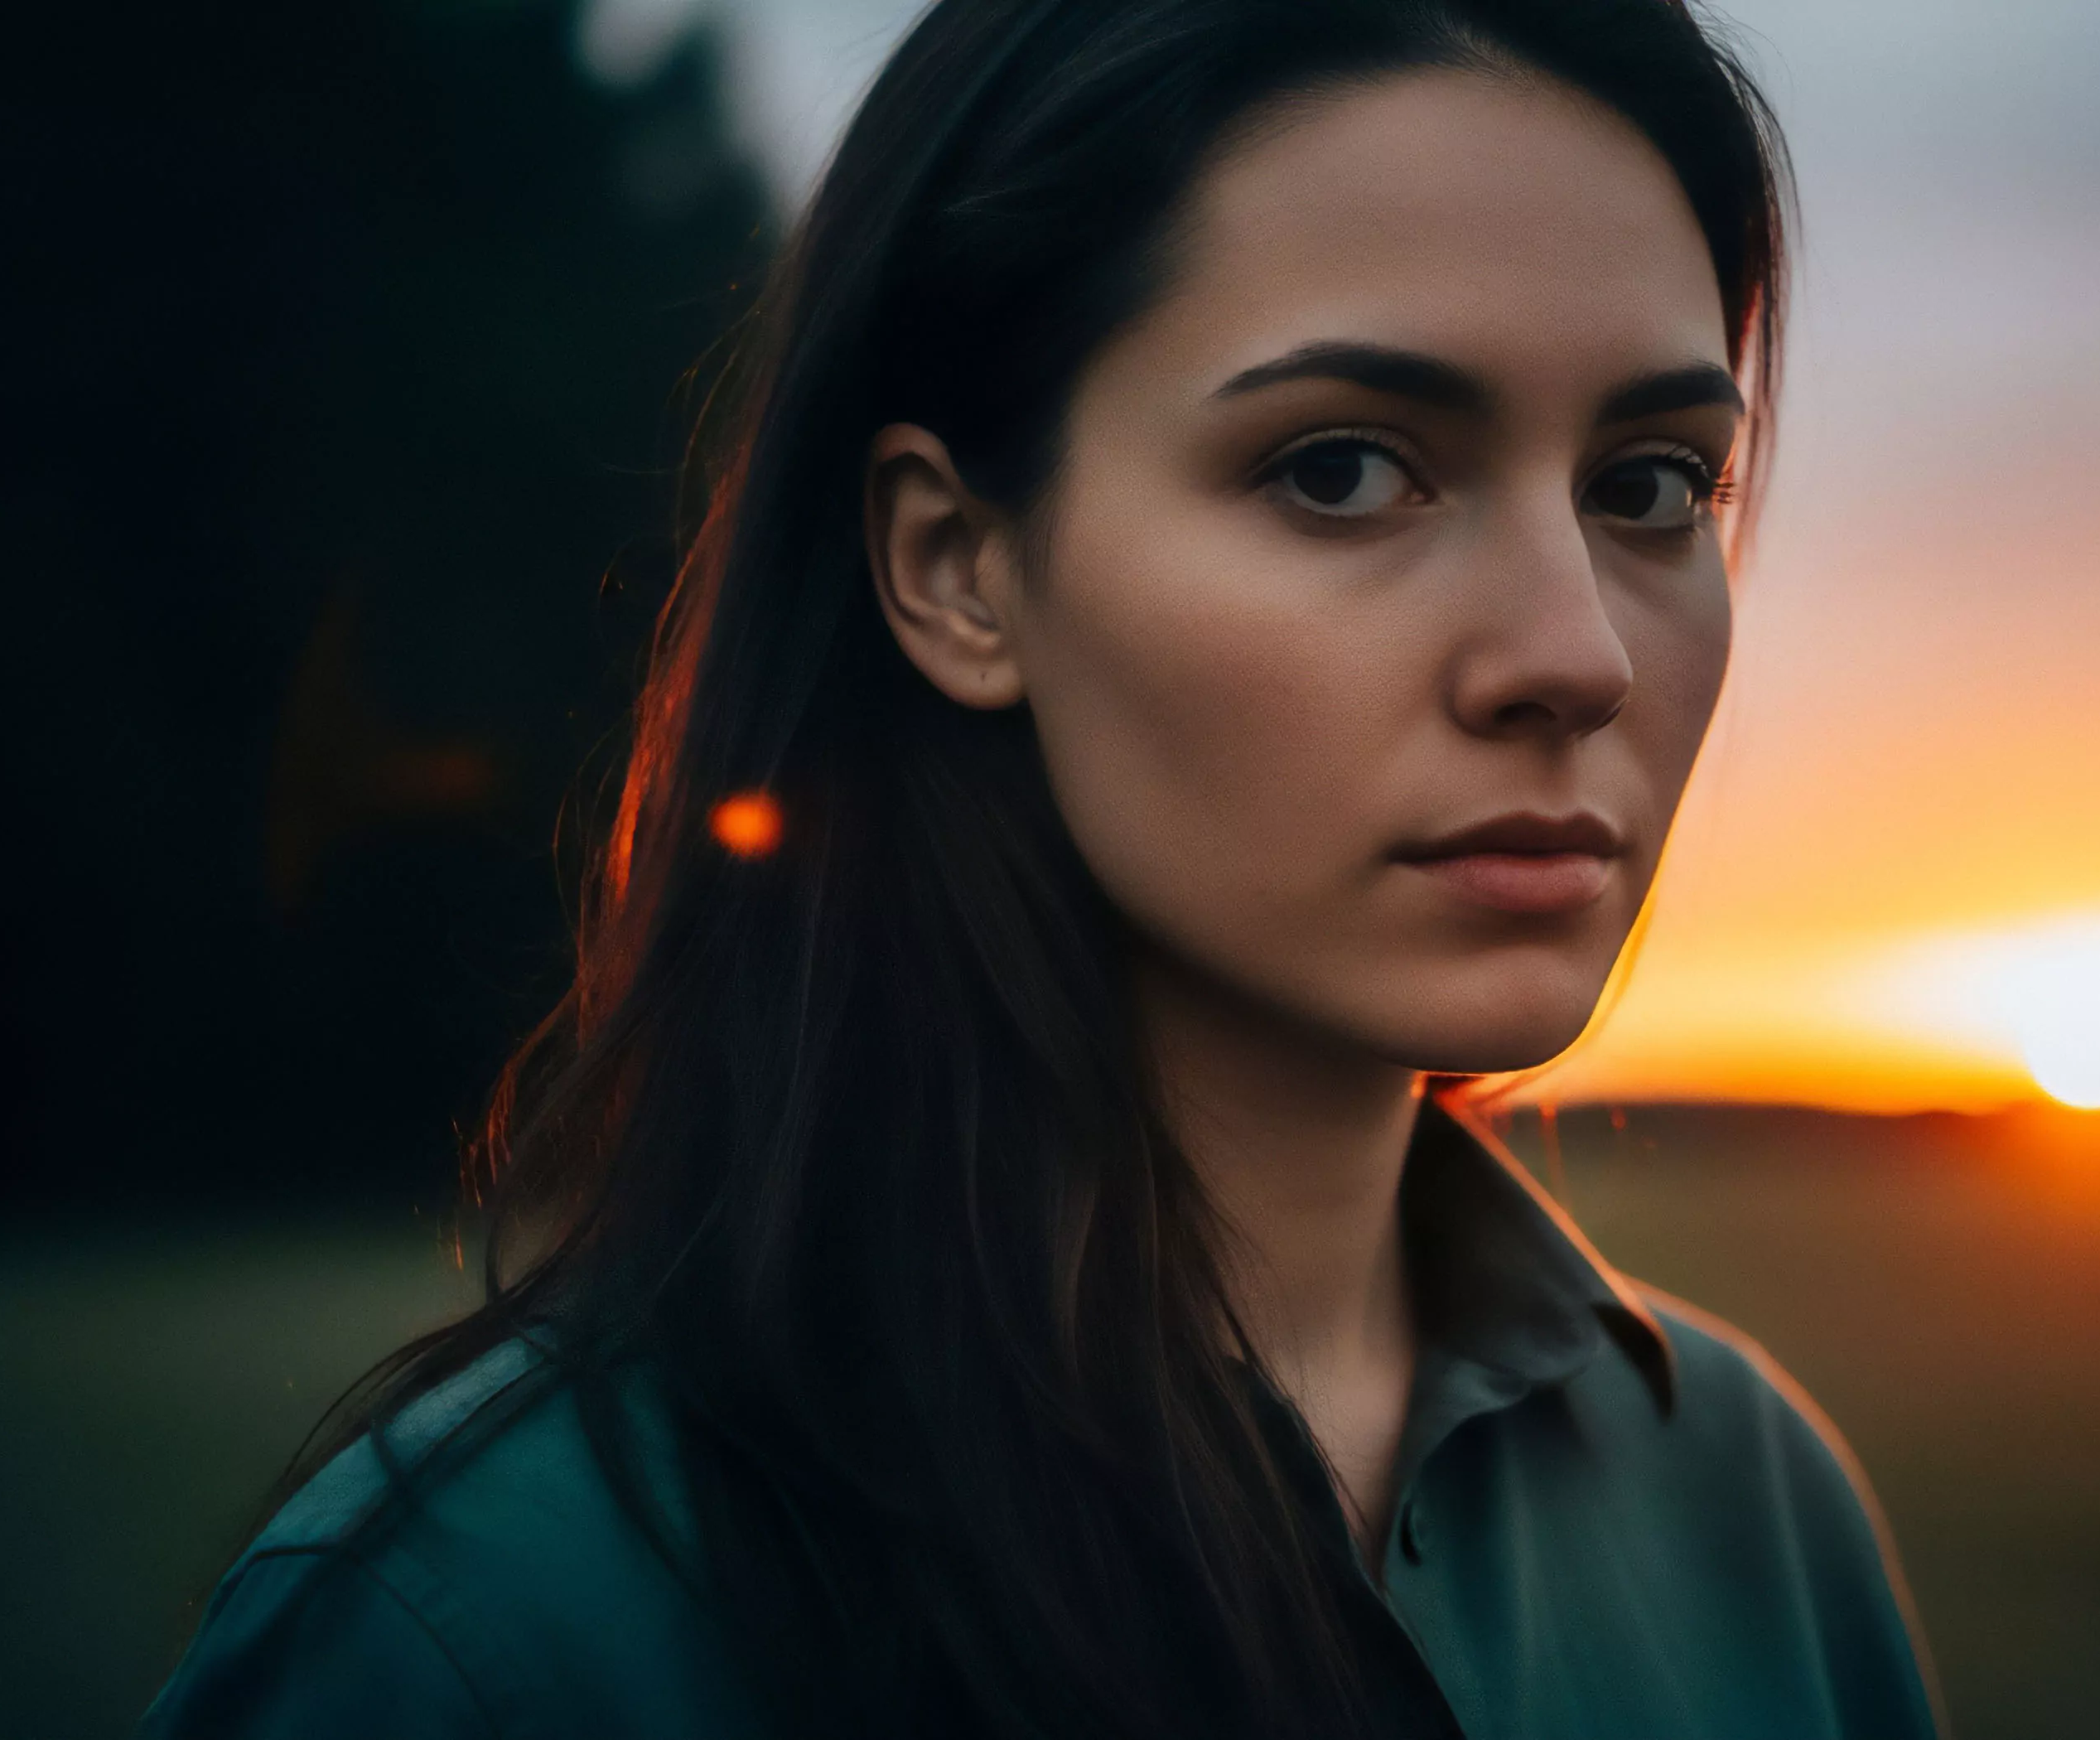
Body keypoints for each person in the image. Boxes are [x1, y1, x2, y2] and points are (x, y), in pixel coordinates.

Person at [142, 1, 1940, 1733]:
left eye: (1648, 485)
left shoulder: (1750, 1518)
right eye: (1340, 469)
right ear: (953, 568)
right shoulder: (487, 1639)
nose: (1575, 655)